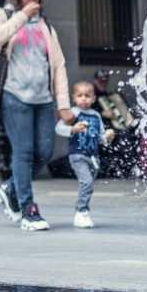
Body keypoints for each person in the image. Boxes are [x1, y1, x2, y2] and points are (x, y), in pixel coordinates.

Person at [0, 0, 73, 232]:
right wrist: (22, 17)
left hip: (43, 99)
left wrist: (63, 103)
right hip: (15, 97)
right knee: (23, 152)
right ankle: (28, 210)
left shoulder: (45, 25)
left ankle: (9, 188)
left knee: (44, 152)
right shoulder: (2, 16)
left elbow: (57, 64)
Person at [55, 80, 116, 228]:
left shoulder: (96, 115)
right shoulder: (73, 113)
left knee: (89, 185)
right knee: (86, 182)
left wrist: (106, 138)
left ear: (94, 99)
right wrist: (72, 130)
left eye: (87, 96)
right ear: (73, 98)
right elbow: (58, 128)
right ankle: (81, 211)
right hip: (78, 155)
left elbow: (100, 136)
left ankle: (82, 212)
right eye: (80, 95)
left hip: (93, 157)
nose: (84, 99)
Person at [91, 68, 140, 177]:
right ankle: (122, 164)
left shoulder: (110, 96)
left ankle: (129, 164)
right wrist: (102, 113)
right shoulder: (90, 95)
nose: (103, 83)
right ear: (95, 81)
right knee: (122, 134)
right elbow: (85, 111)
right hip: (101, 129)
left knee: (135, 130)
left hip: (113, 127)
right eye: (101, 81)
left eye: (105, 81)